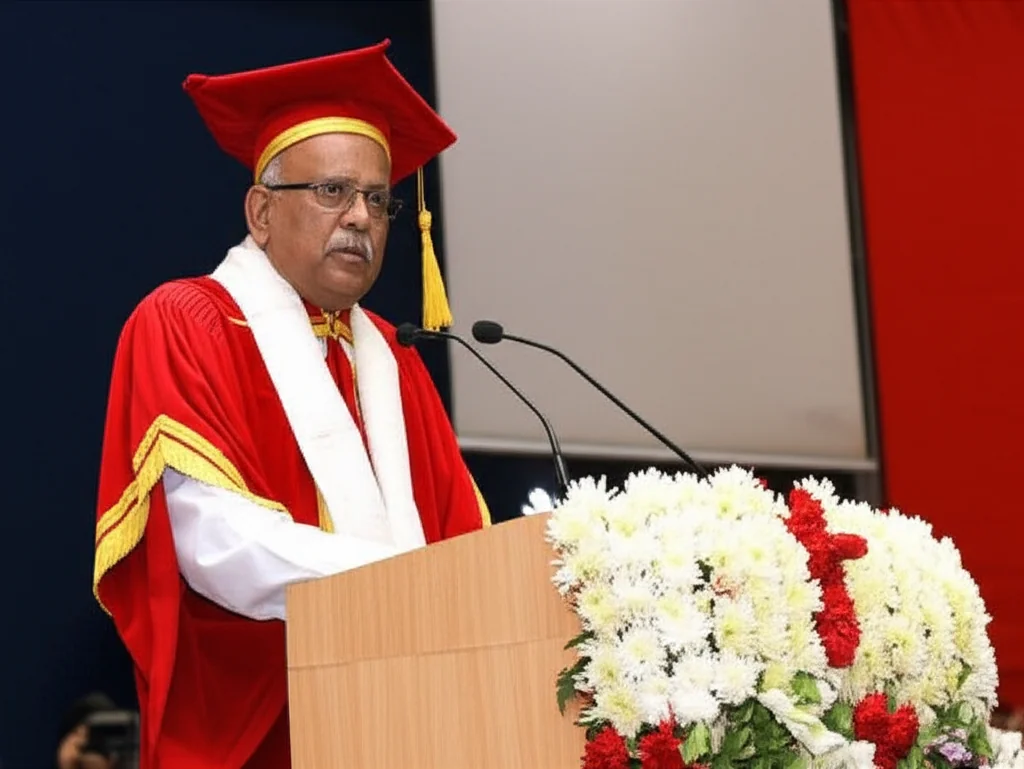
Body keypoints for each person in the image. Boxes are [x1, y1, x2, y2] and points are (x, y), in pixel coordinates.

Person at [91, 40, 490, 769]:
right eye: (333, 192)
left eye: (378, 198)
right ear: (261, 211)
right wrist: (400, 591)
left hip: (411, 729)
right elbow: (215, 541)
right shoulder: (189, 321)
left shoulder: (395, 363)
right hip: (257, 732)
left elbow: (463, 549)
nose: (362, 218)